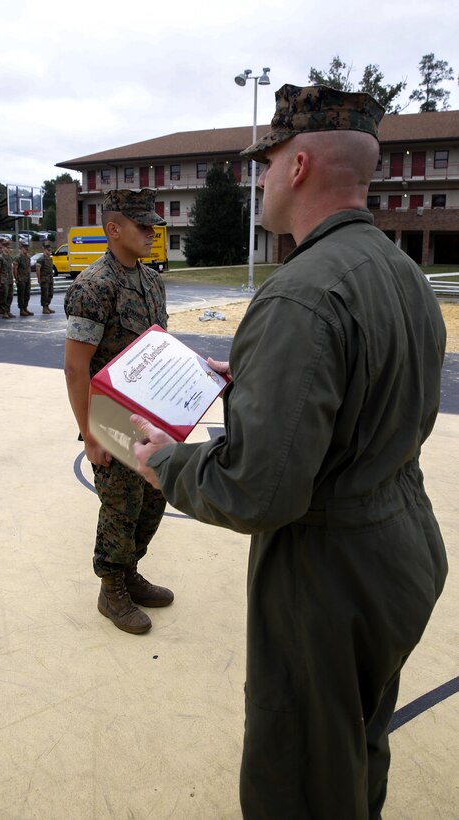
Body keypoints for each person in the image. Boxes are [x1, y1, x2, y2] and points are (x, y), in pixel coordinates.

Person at [131, 85, 448, 818]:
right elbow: (375, 394)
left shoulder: (300, 294)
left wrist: (162, 460)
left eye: (266, 162)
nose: (258, 178)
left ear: (298, 165)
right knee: (355, 741)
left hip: (328, 571)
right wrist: (261, 382)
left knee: (301, 772)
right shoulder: (403, 274)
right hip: (399, 548)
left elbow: (260, 490)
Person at [63, 188, 173, 635]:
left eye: (152, 225)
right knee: (121, 506)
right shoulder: (94, 286)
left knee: (155, 498)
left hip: (152, 416)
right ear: (114, 229)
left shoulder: (152, 281)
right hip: (109, 419)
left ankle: (129, 571)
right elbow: (75, 367)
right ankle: (112, 588)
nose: (151, 233)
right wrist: (90, 435)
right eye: (142, 226)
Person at [0, 239, 15, 319]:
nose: (8, 249)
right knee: (4, 296)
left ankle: (8, 310)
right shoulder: (0, 257)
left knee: (10, 296)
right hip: (3, 280)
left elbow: (11, 269)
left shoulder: (9, 257)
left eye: (9, 247)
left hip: (9, 279)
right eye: (7, 247)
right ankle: (4, 312)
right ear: (3, 248)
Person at [13, 240, 33, 316]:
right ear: (21, 248)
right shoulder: (18, 258)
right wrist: (16, 278)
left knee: (27, 294)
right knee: (21, 295)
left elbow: (28, 268)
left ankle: (25, 308)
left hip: (27, 278)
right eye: (25, 249)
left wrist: (29, 276)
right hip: (21, 279)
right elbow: (14, 268)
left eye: (27, 249)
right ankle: (21, 309)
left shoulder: (28, 257)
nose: (26, 250)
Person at [36, 243, 55, 314]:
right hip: (44, 279)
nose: (49, 251)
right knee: (45, 294)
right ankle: (44, 307)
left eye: (49, 250)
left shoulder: (50, 258)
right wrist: (39, 278)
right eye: (48, 250)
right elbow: (38, 269)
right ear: (44, 250)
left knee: (50, 293)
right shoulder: (41, 259)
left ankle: (47, 306)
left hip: (50, 279)